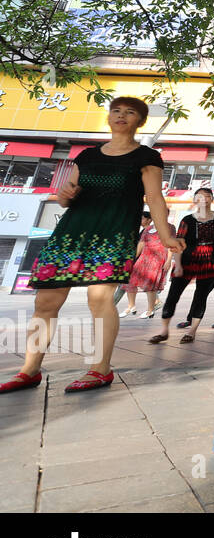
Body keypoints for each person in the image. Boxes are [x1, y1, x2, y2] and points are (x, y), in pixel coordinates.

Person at [1, 97, 183, 395]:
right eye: (116, 111)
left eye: (130, 112)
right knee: (44, 303)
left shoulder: (146, 157)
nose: (121, 116)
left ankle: (100, 369)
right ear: (109, 117)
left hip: (112, 235)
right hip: (70, 234)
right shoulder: (86, 156)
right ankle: (29, 371)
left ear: (140, 121)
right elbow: (66, 196)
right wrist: (65, 195)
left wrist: (165, 237)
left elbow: (155, 199)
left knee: (100, 301)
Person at [151, 188, 214, 344]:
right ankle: (164, 331)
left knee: (201, 296)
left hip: (212, 261)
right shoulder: (187, 220)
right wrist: (177, 264)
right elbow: (180, 242)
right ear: (195, 200)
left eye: (208, 196)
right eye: (201, 196)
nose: (204, 199)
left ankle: (192, 332)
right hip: (187, 259)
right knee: (173, 295)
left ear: (212, 199)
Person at [120, 210, 174, 318]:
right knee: (129, 280)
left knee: (151, 286)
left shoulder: (170, 228)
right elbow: (141, 243)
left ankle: (150, 310)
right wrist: (132, 258)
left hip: (158, 260)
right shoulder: (148, 228)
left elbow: (171, 244)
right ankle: (131, 306)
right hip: (144, 258)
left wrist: (168, 261)